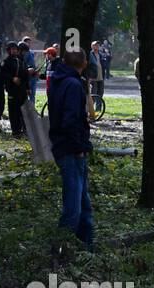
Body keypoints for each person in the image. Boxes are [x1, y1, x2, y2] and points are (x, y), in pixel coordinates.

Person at [48, 50, 94, 251]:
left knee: (83, 204)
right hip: (72, 150)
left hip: (63, 146)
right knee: (74, 207)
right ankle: (62, 250)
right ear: (83, 63)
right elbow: (72, 120)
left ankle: (86, 247)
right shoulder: (74, 85)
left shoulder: (59, 80)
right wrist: (79, 148)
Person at [1, 41, 27, 138]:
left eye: (16, 49)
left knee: (22, 110)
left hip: (22, 89)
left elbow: (25, 74)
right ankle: (15, 130)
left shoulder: (21, 60)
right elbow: (3, 74)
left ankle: (24, 129)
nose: (14, 51)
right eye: (12, 49)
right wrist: (12, 78)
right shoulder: (7, 61)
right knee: (13, 111)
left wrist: (27, 87)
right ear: (9, 51)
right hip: (12, 89)